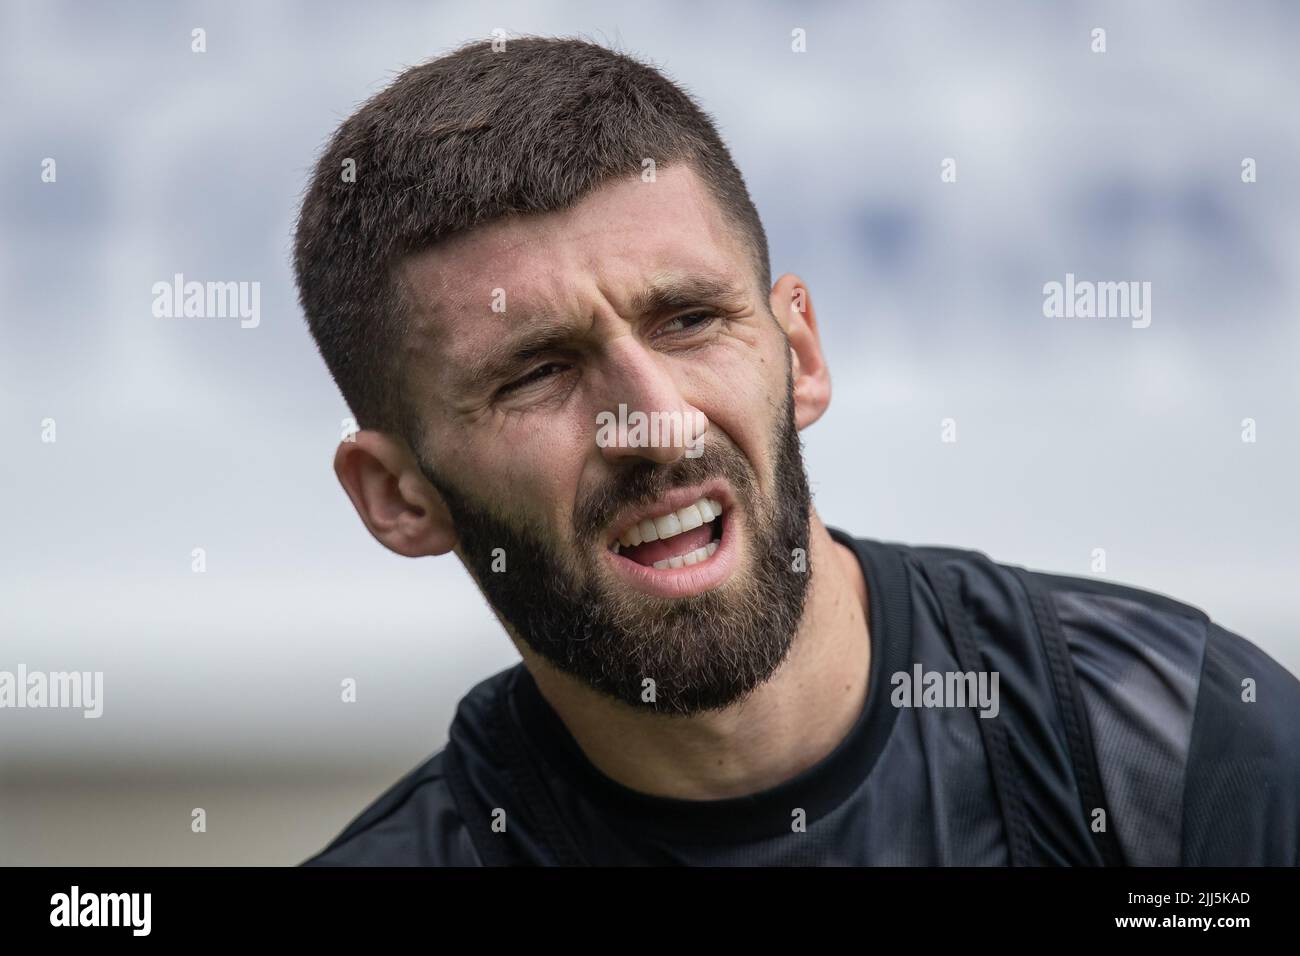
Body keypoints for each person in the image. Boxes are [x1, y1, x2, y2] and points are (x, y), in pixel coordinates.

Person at [293, 38, 1299, 866]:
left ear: (799, 350)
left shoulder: (1171, 748)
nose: (661, 423)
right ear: (396, 494)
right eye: (536, 373)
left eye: (688, 319)